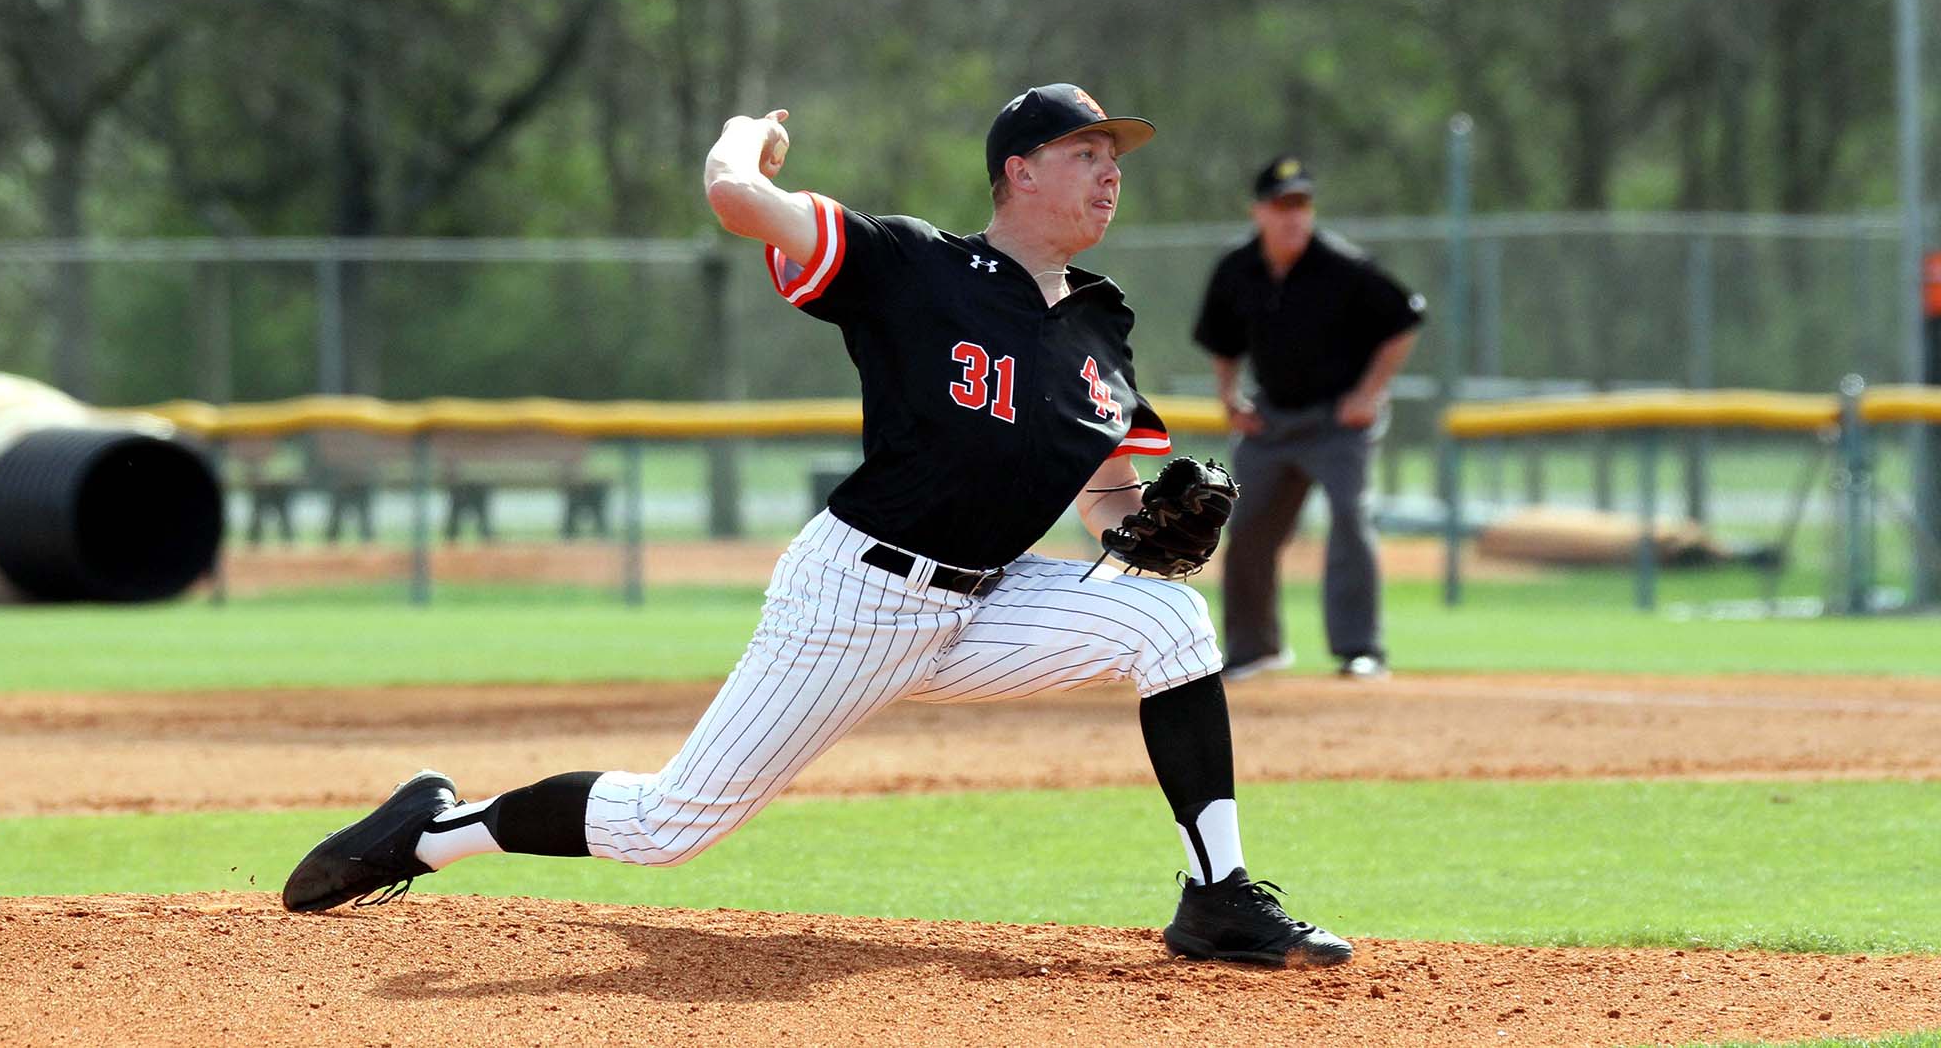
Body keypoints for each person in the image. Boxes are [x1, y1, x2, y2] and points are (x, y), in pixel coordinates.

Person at [282, 85, 1353, 968]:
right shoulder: (911, 264)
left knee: (1166, 621)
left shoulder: (1099, 330)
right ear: (1019, 170)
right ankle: (437, 829)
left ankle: (1214, 898)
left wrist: (1137, 537)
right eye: (1084, 150)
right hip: (855, 597)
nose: (1110, 169)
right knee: (667, 830)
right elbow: (735, 196)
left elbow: (1107, 494)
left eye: (1113, 155)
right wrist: (752, 131)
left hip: (983, 599)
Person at [1193, 156, 1424, 682]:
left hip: (1337, 421)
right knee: (1246, 528)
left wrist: (1369, 393)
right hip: (1271, 420)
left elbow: (1404, 320)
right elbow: (1221, 340)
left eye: (1301, 204)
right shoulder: (1238, 268)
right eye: (1281, 205)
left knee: (1349, 517)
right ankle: (1255, 648)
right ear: (1258, 212)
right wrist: (1229, 396)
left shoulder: (1342, 265)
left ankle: (1360, 650)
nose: (1293, 216)